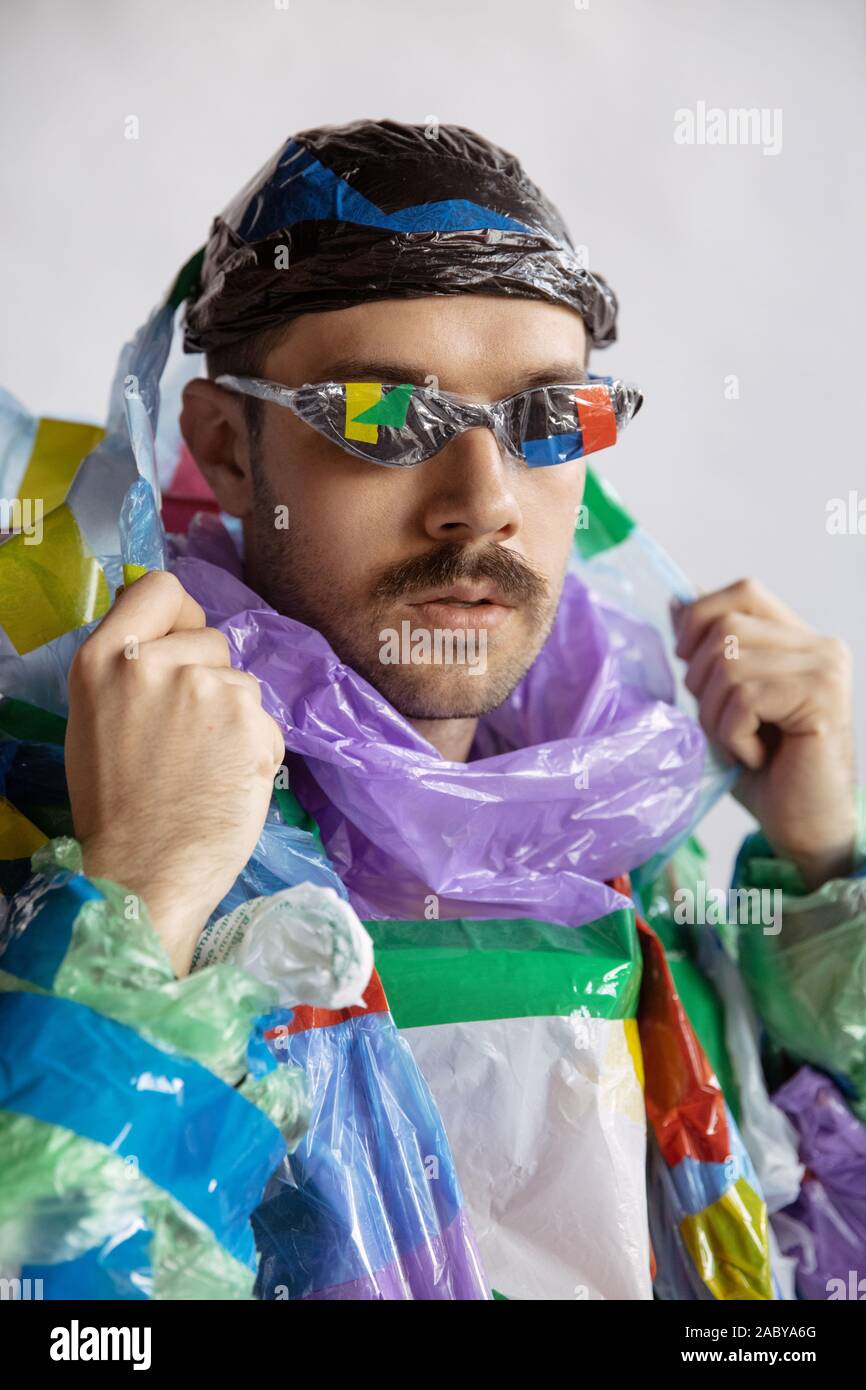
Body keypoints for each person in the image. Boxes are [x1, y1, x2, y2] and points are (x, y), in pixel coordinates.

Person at [1, 120, 864, 1301]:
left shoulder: (616, 849)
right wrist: (142, 902)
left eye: (547, 419)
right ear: (226, 449)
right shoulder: (62, 854)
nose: (483, 503)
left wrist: (821, 878)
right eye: (381, 417)